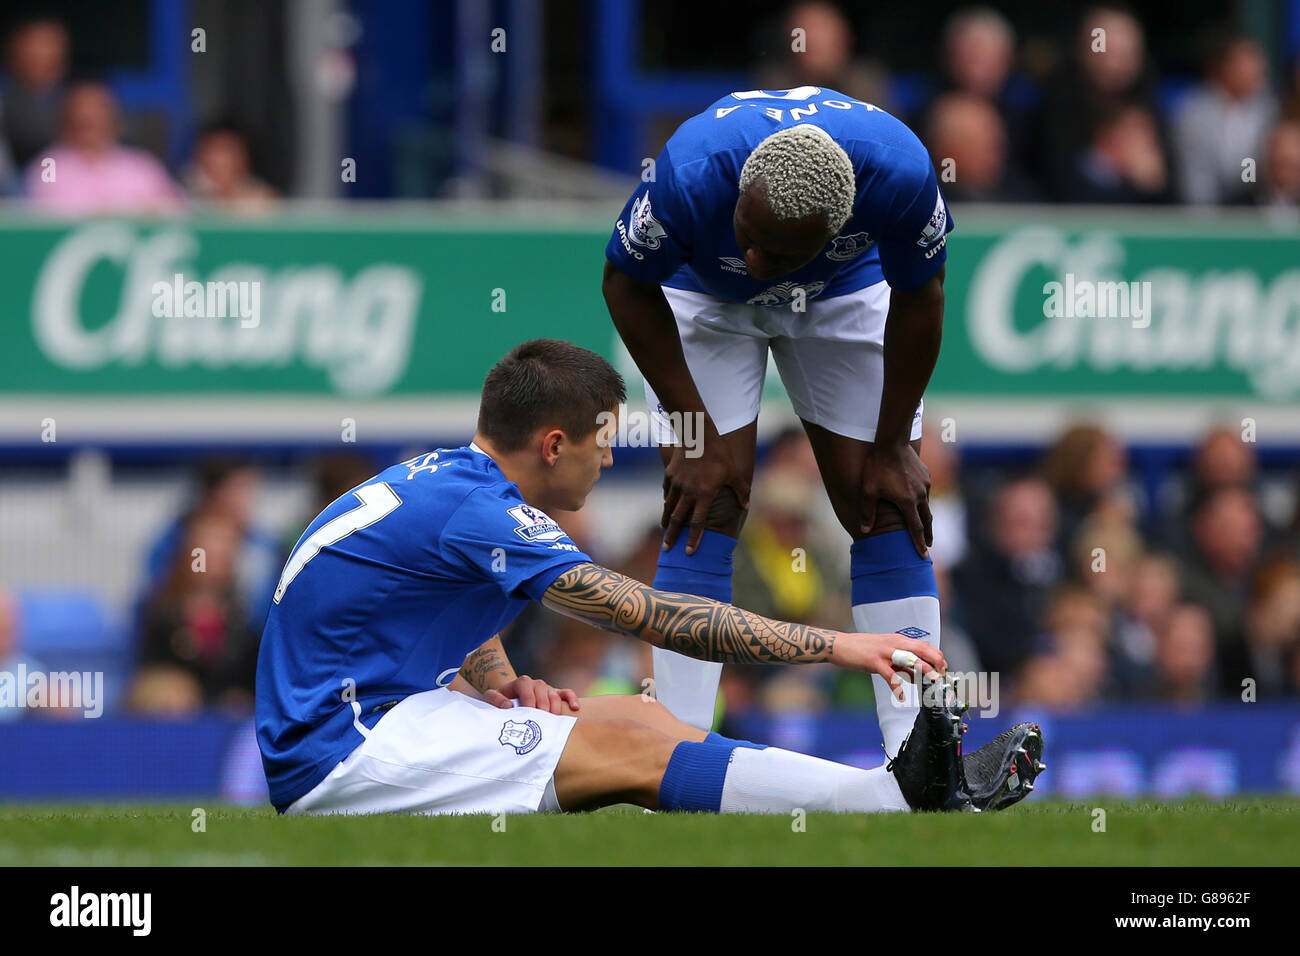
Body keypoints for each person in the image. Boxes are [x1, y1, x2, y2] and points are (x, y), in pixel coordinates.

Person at [256, 340, 1044, 817]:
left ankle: (898, 791)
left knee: (651, 725)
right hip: (343, 752)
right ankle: (899, 800)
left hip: (380, 715)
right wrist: (843, 645)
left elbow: (428, 599)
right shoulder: (482, 513)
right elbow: (657, 618)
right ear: (554, 443)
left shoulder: (448, 485)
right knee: (634, 750)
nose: (610, 459)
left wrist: (499, 682)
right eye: (603, 443)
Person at [601, 87, 954, 768]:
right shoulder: (692, 172)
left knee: (887, 501)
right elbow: (624, 284)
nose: (758, 262)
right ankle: (670, 760)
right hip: (705, 293)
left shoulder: (902, 176)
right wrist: (693, 432)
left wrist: (890, 447)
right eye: (750, 237)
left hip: (842, 290)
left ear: (840, 221)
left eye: (778, 252)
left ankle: (919, 762)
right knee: (707, 501)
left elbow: (922, 296)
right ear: (739, 193)